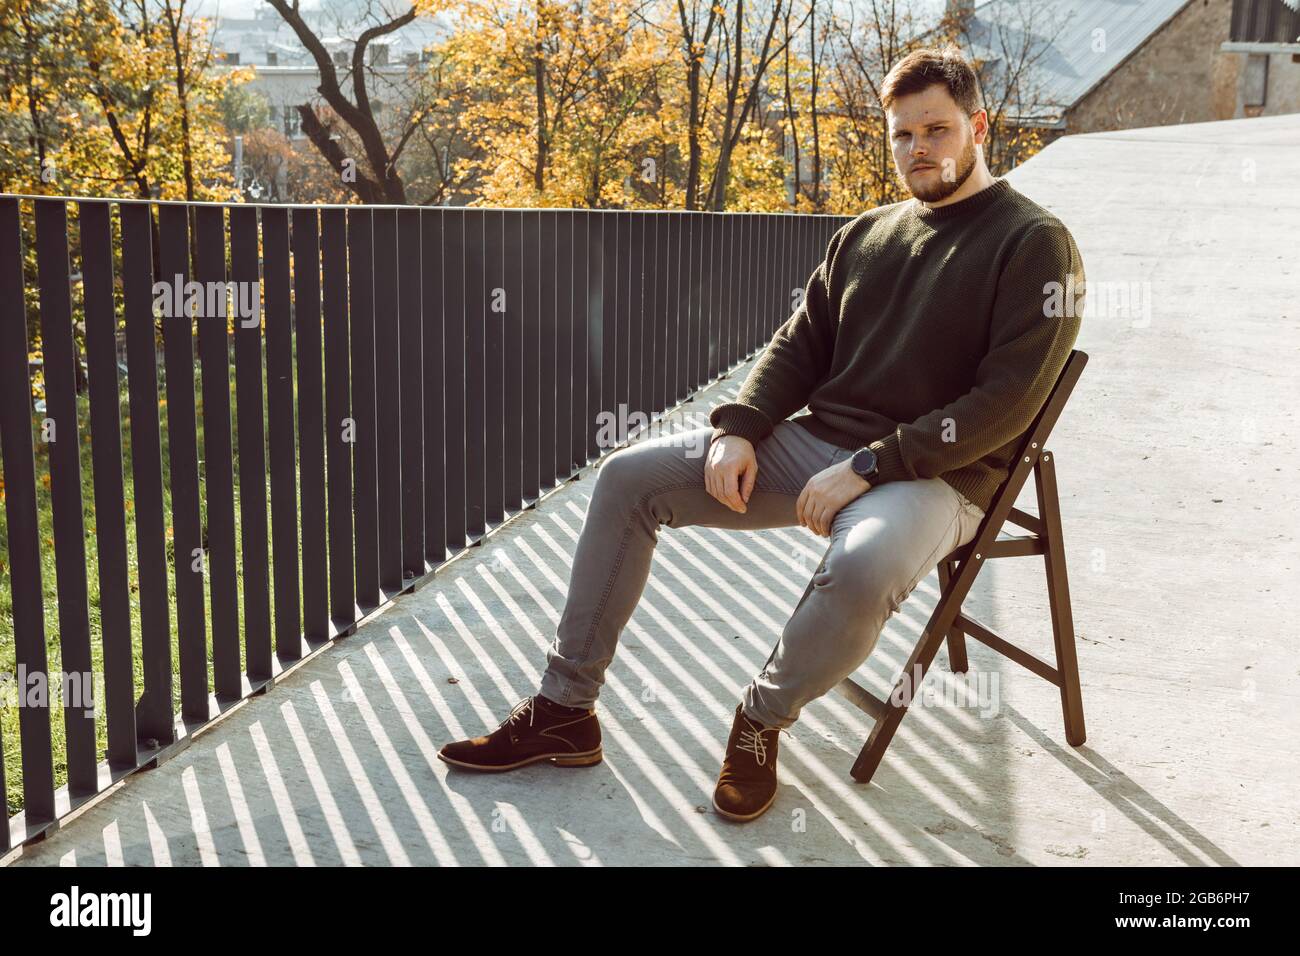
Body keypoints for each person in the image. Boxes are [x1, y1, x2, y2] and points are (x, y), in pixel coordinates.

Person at [438, 45, 1086, 823]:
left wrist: (876, 464)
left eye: (937, 130)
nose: (918, 149)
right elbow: (797, 343)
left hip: (937, 474)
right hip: (823, 446)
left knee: (865, 561)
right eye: (902, 134)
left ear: (979, 127)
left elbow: (1007, 402)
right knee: (628, 478)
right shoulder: (867, 233)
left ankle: (760, 722)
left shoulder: (1034, 243)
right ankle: (565, 710)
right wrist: (739, 430)